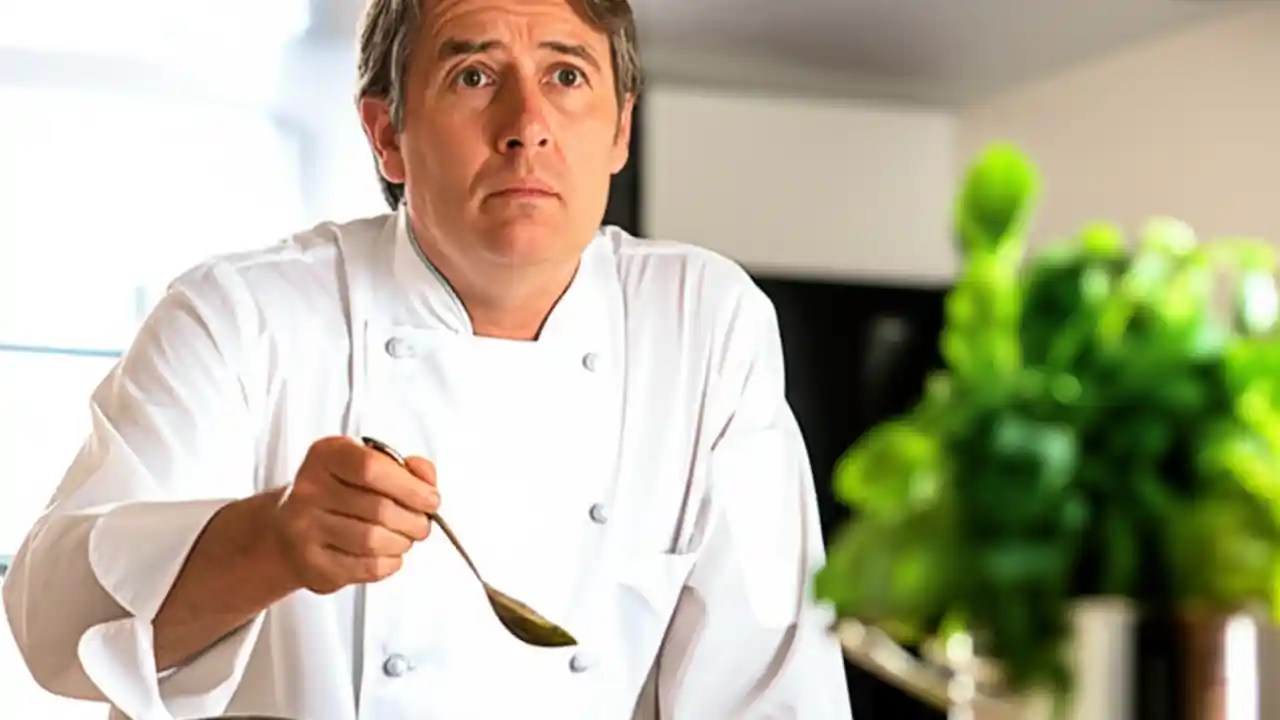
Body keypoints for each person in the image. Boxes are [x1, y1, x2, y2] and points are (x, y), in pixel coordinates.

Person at [2, 0, 855, 717]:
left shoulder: (703, 323)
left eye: (566, 77)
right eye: (474, 75)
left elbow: (774, 681)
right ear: (387, 134)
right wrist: (271, 541)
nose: (527, 128)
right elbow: (52, 622)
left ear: (620, 130)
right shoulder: (241, 316)